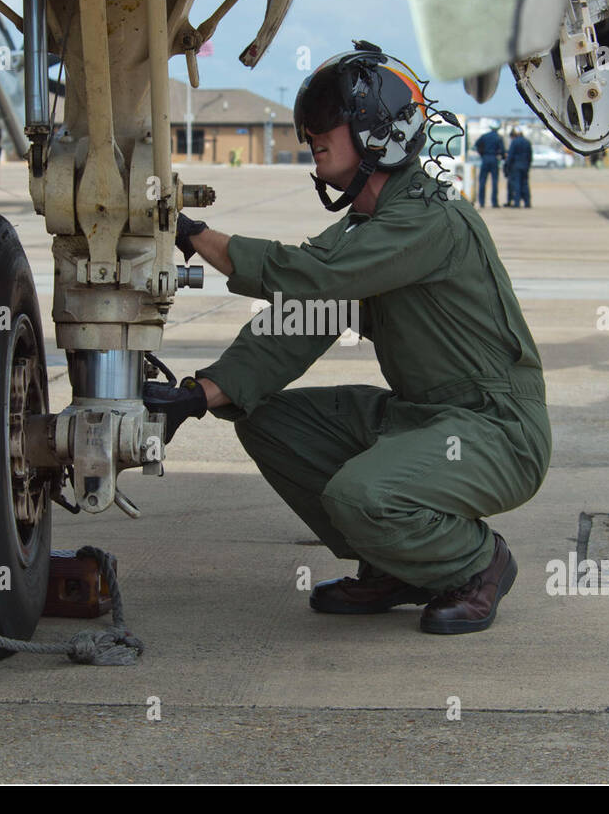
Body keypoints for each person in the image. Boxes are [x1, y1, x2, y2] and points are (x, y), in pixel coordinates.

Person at [143, 41, 551, 635]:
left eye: (330, 122)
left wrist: (196, 236)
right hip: (423, 417)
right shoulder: (369, 229)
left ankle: (475, 563)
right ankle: (398, 565)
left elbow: (315, 275)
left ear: (377, 133)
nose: (313, 132)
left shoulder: (428, 219)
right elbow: (301, 316)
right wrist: (202, 393)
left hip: (495, 430)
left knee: (361, 494)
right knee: (266, 420)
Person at [474, 121, 505, 208]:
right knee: (494, 181)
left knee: (482, 181)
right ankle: (494, 202)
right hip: (494, 159)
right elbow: (502, 151)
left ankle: (482, 202)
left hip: (485, 158)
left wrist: (482, 154)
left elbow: (476, 145)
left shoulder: (484, 136)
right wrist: (502, 157)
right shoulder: (499, 137)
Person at [505, 128, 532, 208]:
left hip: (516, 166)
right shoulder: (527, 142)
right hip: (525, 165)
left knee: (517, 184)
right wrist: (528, 165)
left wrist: (508, 165)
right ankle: (527, 202)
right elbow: (530, 156)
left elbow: (511, 155)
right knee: (525, 184)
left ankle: (517, 203)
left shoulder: (514, 142)